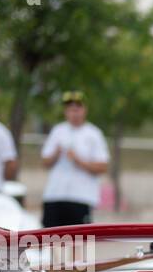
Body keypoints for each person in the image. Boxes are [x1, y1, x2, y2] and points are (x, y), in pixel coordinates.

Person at [40, 91, 109, 226]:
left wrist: (78, 161)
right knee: (52, 240)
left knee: (79, 243)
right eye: (70, 109)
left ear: (84, 110)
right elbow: (45, 162)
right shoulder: (58, 131)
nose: (74, 113)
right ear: (66, 112)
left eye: (77, 109)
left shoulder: (93, 134)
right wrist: (56, 153)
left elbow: (102, 166)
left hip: (81, 197)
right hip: (55, 195)